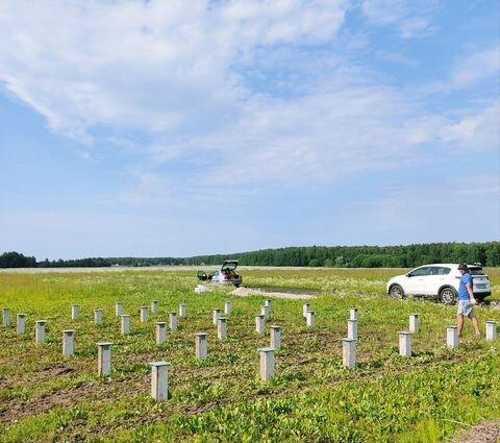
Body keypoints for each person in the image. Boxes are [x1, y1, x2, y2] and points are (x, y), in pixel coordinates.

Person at [457, 264, 481, 338]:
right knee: (472, 316)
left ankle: (458, 334)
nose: (459, 271)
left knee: (460, 316)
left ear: (464, 269)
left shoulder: (466, 276)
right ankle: (477, 333)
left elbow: (468, 287)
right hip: (465, 299)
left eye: (460, 269)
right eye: (459, 269)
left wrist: (472, 297)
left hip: (464, 300)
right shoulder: (467, 276)